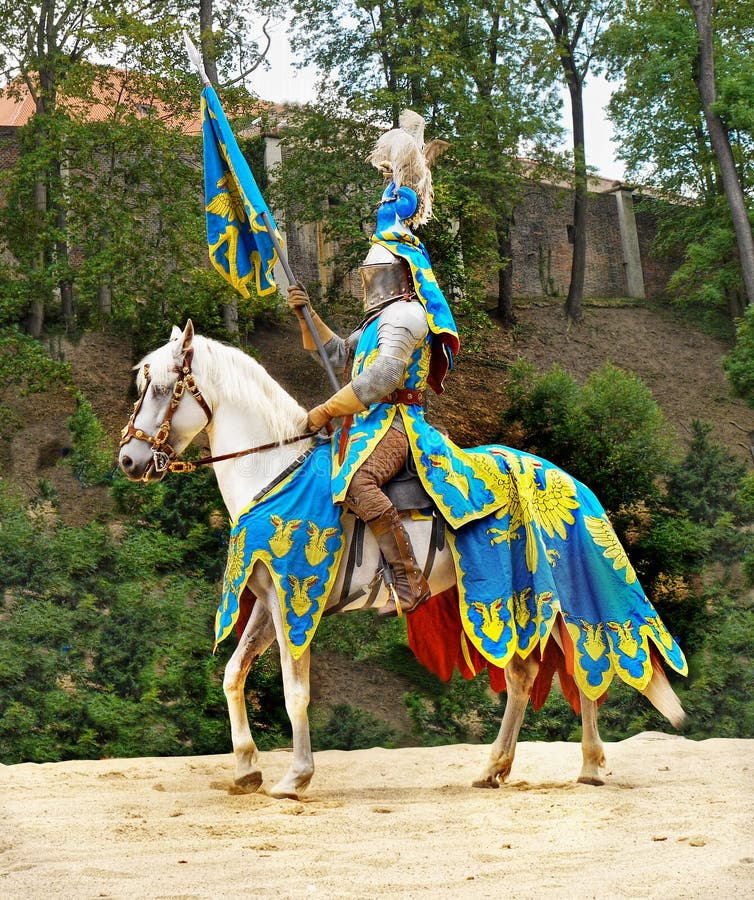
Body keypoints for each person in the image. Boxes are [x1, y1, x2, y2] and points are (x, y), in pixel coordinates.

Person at [288, 110, 494, 617]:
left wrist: (324, 412)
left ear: (399, 272)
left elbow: (380, 380)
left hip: (398, 421)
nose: (367, 280)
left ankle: (407, 576)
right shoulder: (379, 320)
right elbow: (336, 352)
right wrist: (305, 312)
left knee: (358, 483)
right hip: (367, 424)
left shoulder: (406, 316)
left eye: (373, 271)